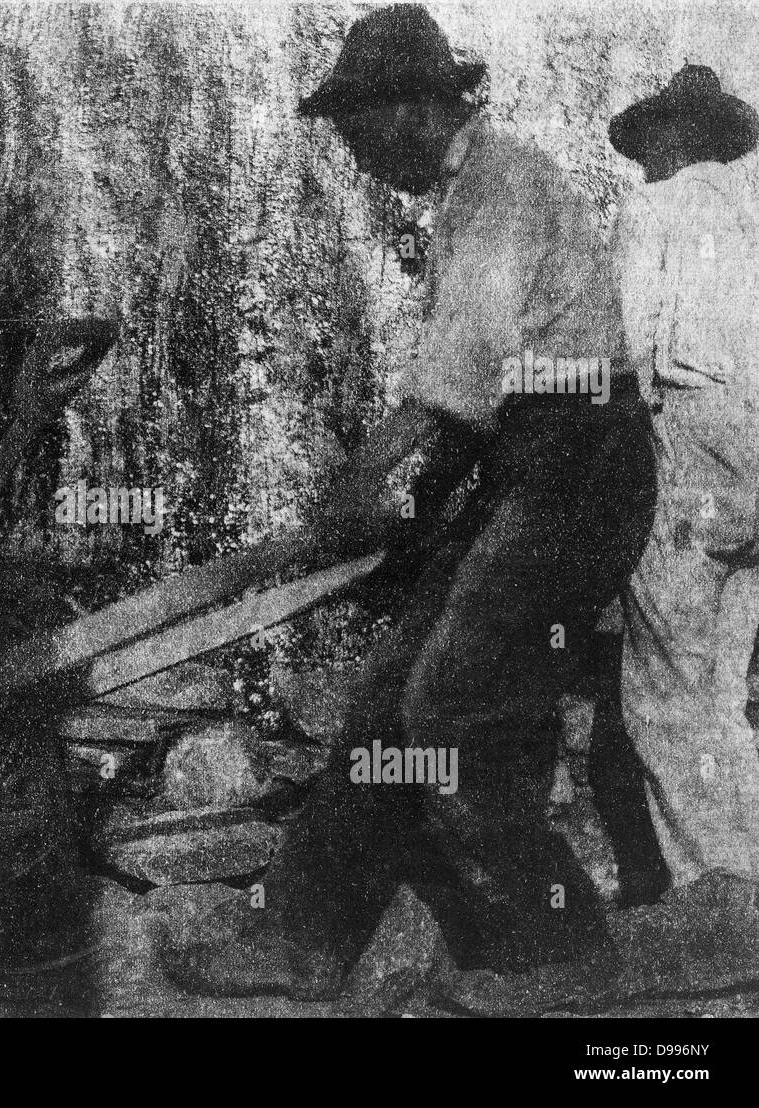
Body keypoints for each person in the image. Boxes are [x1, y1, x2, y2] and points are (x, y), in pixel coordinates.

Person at [165, 4, 657, 1007]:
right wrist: (410, 499)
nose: (355, 156)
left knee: (449, 708)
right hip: (527, 460)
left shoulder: (504, 185)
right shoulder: (469, 193)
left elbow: (463, 370)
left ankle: (561, 949)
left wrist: (358, 480)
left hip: (579, 467)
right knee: (391, 700)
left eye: (357, 133)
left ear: (413, 109)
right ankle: (303, 937)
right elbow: (475, 390)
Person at [608, 66, 759, 891]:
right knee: (723, 695)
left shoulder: (654, 210)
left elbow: (624, 353)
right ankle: (751, 889)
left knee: (665, 695)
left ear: (672, 137)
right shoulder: (751, 221)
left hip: (690, 457)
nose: (641, 164)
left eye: (648, 146)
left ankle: (718, 897)